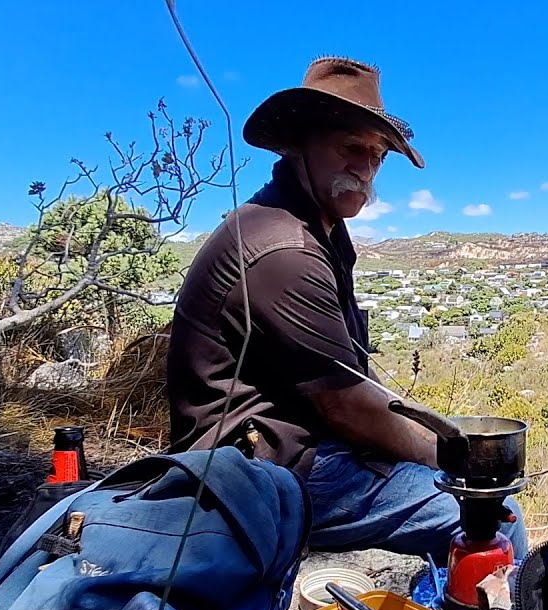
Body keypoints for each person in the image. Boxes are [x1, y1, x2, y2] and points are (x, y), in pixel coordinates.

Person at [167, 57, 527, 562]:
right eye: (350, 148)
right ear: (299, 145)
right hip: (260, 466)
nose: (366, 167)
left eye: (378, 155)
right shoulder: (285, 251)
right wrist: (452, 459)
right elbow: (349, 407)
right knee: (489, 517)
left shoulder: (316, 228)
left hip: (293, 444)